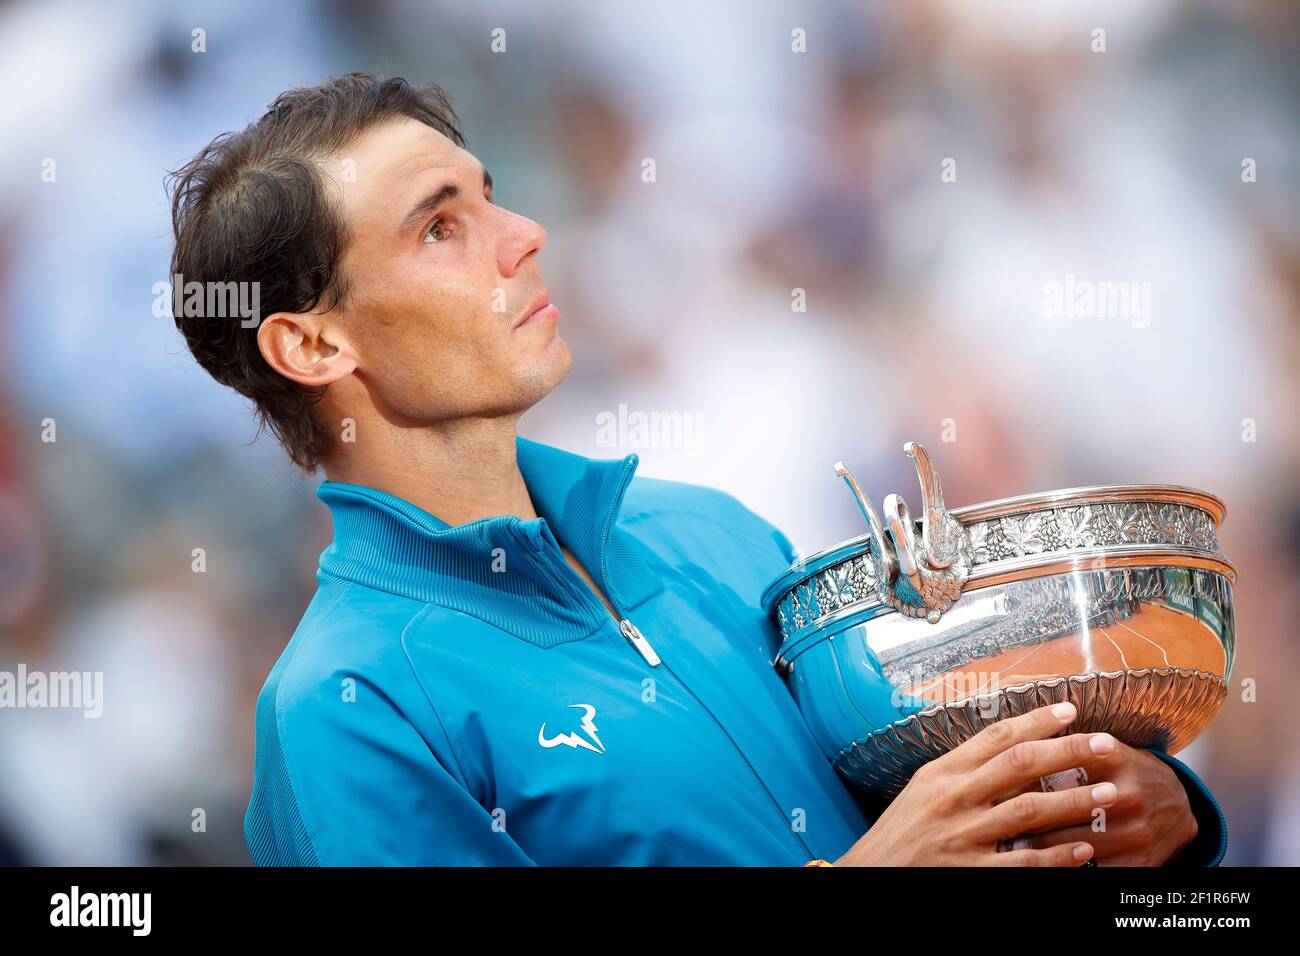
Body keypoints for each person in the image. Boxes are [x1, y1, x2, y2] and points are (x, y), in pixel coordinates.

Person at [167, 73, 1225, 866]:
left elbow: (939, 818)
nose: (525, 234)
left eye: (492, 196)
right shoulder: (342, 709)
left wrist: (1146, 818)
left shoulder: (708, 530)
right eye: (441, 226)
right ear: (312, 347)